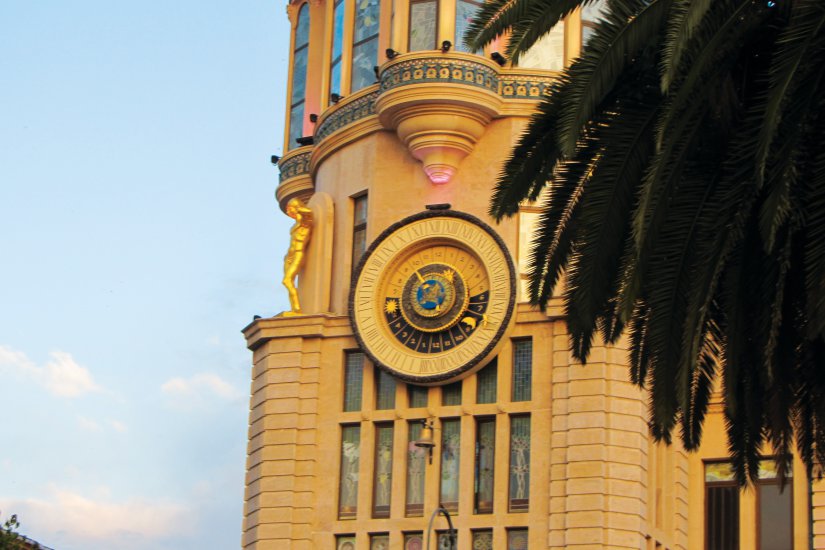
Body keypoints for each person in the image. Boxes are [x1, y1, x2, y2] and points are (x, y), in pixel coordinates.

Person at [282, 198, 313, 315]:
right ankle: (293, 308)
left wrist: (297, 206)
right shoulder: (295, 226)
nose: (289, 213)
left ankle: (296, 309)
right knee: (287, 282)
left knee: (287, 281)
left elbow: (308, 213)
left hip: (298, 254)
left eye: (290, 210)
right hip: (289, 256)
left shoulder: (304, 224)